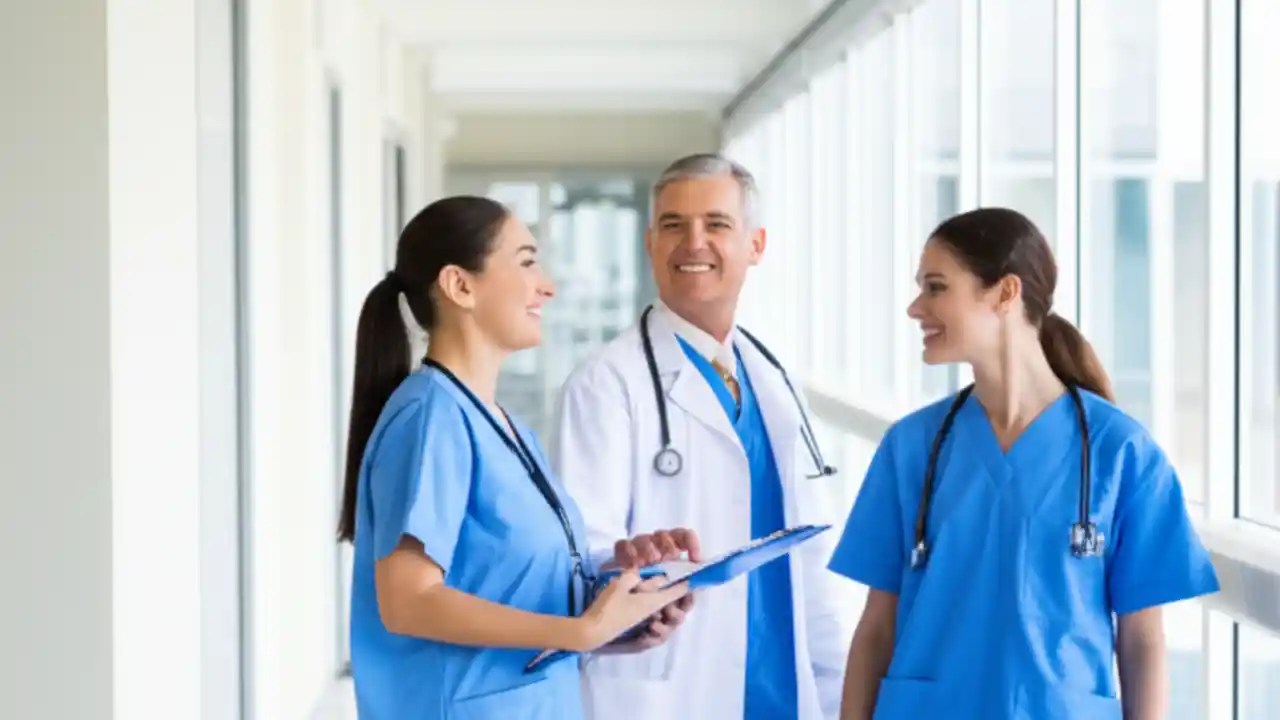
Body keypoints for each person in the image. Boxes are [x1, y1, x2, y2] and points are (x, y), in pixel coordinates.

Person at [830, 207, 1220, 720]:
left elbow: (1142, 638)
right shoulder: (912, 447)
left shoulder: (1119, 452)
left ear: (1004, 293)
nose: (915, 308)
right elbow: (877, 625)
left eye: (936, 287)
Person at [337, 196, 692, 720]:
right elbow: (408, 600)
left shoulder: (506, 427)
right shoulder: (431, 416)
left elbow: (505, 589)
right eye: (526, 262)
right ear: (460, 285)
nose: (546, 286)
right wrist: (579, 631)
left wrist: (614, 615)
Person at [552, 154, 855, 719]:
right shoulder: (605, 384)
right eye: (673, 225)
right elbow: (580, 556)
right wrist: (631, 567)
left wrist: (839, 689)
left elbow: (811, 559)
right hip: (668, 688)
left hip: (783, 690)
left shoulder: (774, 380)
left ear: (755, 244)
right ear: (650, 243)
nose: (693, 243)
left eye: (716, 224)